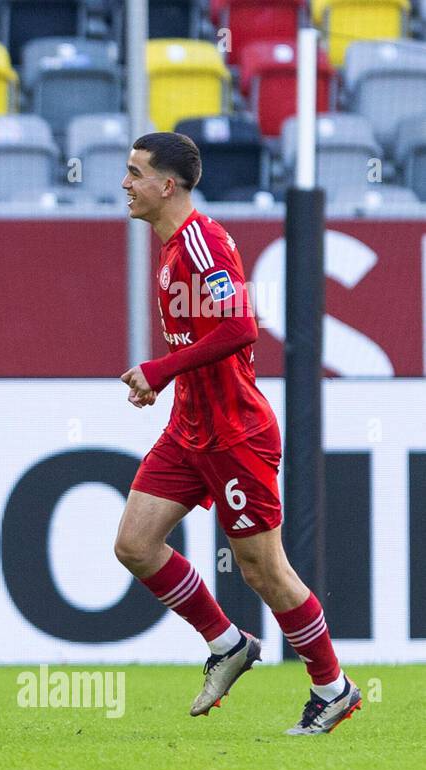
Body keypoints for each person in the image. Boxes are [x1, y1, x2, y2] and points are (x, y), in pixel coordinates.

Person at [114, 131, 360, 735]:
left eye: (134, 172)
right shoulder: (172, 248)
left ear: (165, 185)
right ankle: (228, 644)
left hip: (234, 435)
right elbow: (203, 339)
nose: (124, 183)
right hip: (188, 430)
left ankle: (334, 688)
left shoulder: (202, 244)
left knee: (263, 571)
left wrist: (158, 370)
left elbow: (238, 330)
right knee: (135, 545)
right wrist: (166, 382)